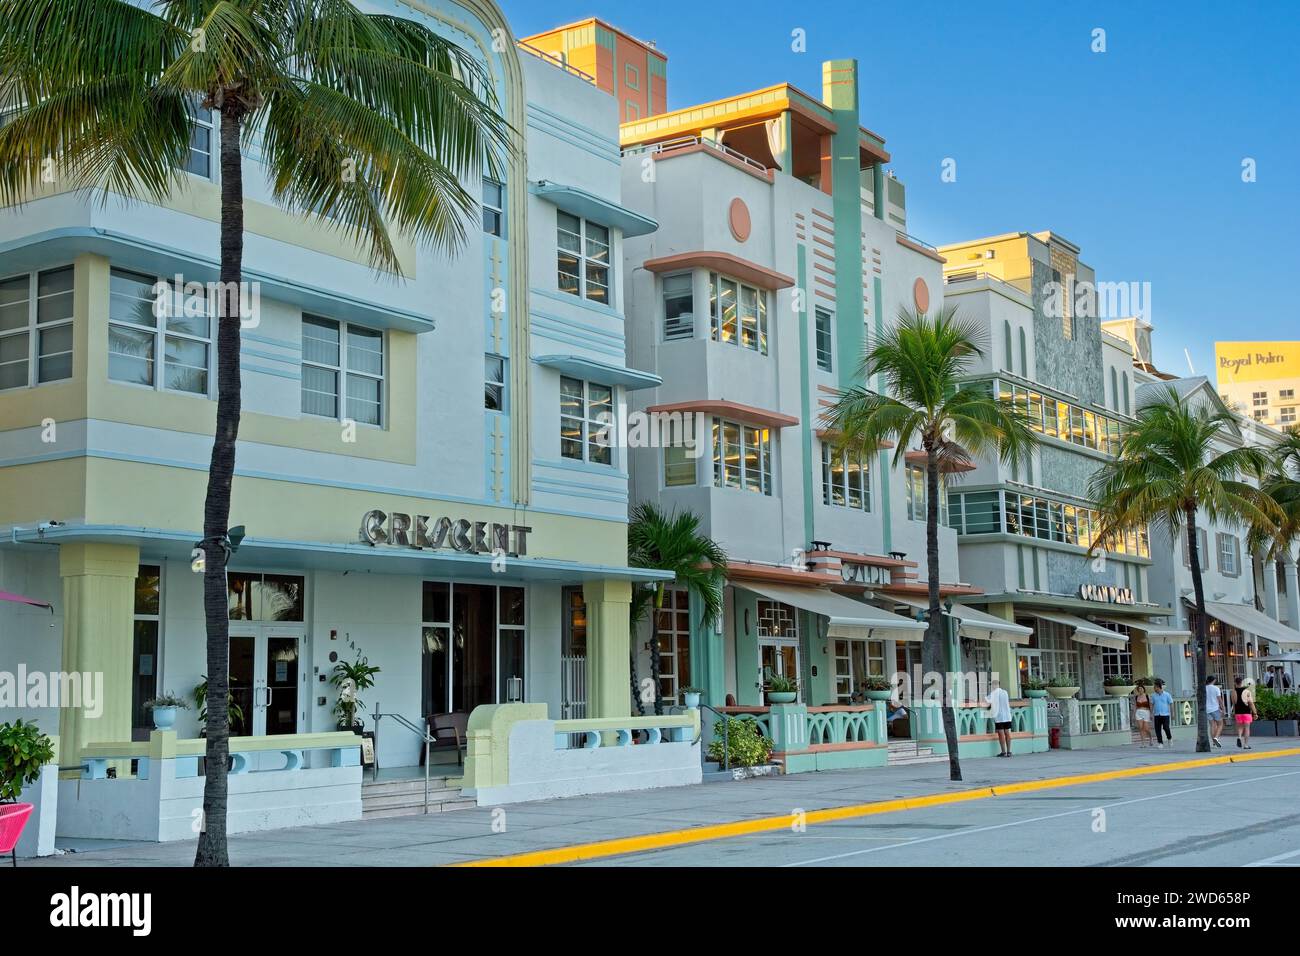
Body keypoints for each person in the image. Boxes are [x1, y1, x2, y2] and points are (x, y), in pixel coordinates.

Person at [986, 678, 1013, 757]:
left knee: (1001, 734)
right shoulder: (1005, 692)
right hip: (1007, 716)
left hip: (999, 717)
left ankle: (1003, 751)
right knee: (1007, 733)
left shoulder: (993, 693)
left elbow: (986, 701)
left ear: (994, 685)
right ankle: (1009, 751)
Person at [1231, 677, 1258, 750]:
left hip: (1238, 712)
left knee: (1240, 727)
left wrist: (1234, 711)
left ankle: (1239, 737)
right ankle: (1246, 745)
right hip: (1246, 712)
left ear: (1235, 683)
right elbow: (1251, 703)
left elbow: (1234, 703)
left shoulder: (1233, 692)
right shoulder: (1247, 691)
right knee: (1247, 728)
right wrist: (1255, 713)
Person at [1151, 679, 1174, 748]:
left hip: (1165, 714)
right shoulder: (1153, 695)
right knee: (1157, 729)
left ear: (1159, 687)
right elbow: (1151, 705)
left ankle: (1169, 738)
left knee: (1166, 727)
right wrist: (1151, 714)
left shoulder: (1167, 694)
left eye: (1155, 687)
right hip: (1157, 715)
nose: (1154, 689)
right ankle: (1160, 743)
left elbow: (1171, 704)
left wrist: (1172, 714)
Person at [1205, 676, 1225, 748]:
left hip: (1207, 709)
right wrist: (1223, 708)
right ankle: (1216, 737)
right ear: (1214, 680)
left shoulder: (1204, 688)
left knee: (1212, 725)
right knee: (1220, 724)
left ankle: (1214, 743)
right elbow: (1219, 700)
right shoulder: (1216, 688)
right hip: (1215, 709)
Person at [1133, 680, 1153, 748]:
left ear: (1144, 689)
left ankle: (1150, 738)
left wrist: (1151, 714)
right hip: (1139, 712)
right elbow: (1135, 706)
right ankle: (1143, 743)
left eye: (1141, 688)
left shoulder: (1147, 696)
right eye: (1139, 689)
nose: (1140, 690)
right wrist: (1134, 714)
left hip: (1146, 712)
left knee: (1146, 728)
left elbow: (1150, 705)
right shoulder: (1136, 697)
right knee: (1141, 728)